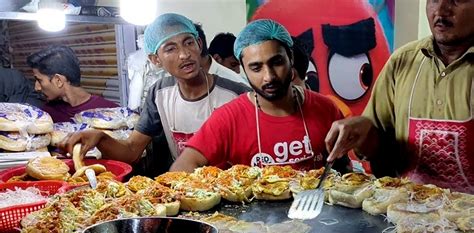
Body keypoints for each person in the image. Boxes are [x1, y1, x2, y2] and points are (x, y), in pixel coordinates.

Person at [324, 0, 474, 193]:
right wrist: (363, 134)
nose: (441, 10)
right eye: (434, 0)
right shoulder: (403, 61)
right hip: (405, 209)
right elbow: (382, 153)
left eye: (456, 0)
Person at [60, 13, 249, 165]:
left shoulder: (236, 93)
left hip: (230, 193)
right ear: (155, 60)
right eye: (170, 49)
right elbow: (132, 151)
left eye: (189, 42)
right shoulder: (159, 93)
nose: (184, 54)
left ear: (199, 45)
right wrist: (100, 137)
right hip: (185, 191)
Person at [171, 19, 346, 172]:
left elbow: (343, 169)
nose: (269, 76)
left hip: (315, 209)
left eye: (276, 62)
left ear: (290, 58)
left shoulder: (326, 109)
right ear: (243, 69)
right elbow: (182, 168)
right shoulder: (228, 119)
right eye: (256, 68)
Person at [26, 45, 119, 123]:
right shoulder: (47, 115)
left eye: (39, 80)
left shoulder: (111, 112)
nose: (37, 87)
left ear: (58, 80)